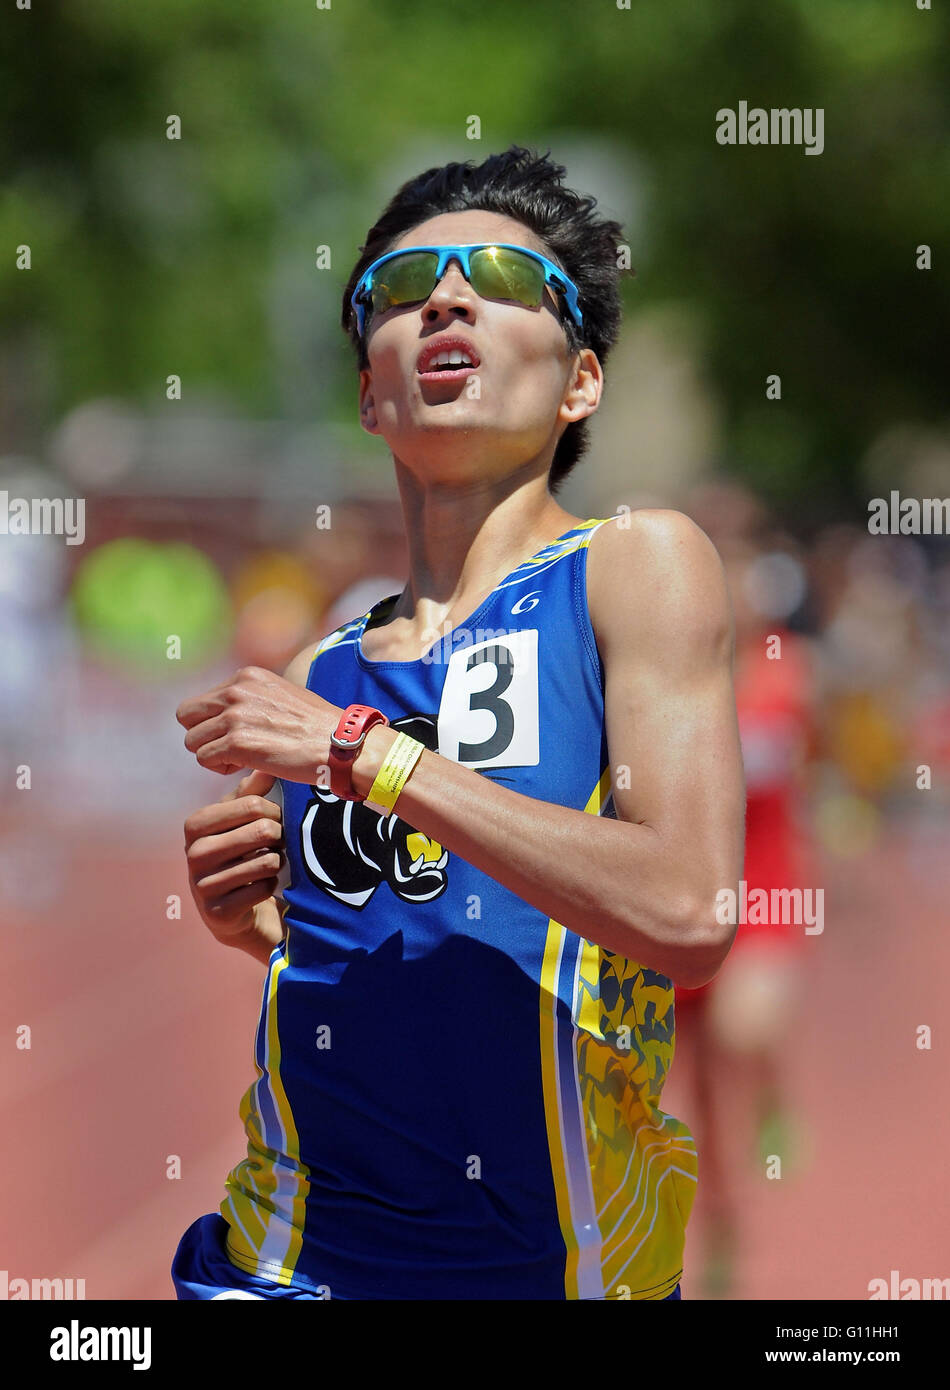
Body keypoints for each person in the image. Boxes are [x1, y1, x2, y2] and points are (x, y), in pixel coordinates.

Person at [170, 146, 745, 1300]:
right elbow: (360, 948)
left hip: (555, 1271)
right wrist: (254, 917)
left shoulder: (632, 565)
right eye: (398, 286)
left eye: (496, 276)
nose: (443, 296)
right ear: (372, 393)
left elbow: (687, 909)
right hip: (287, 1262)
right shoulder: (318, 665)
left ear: (579, 379)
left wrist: (364, 759)